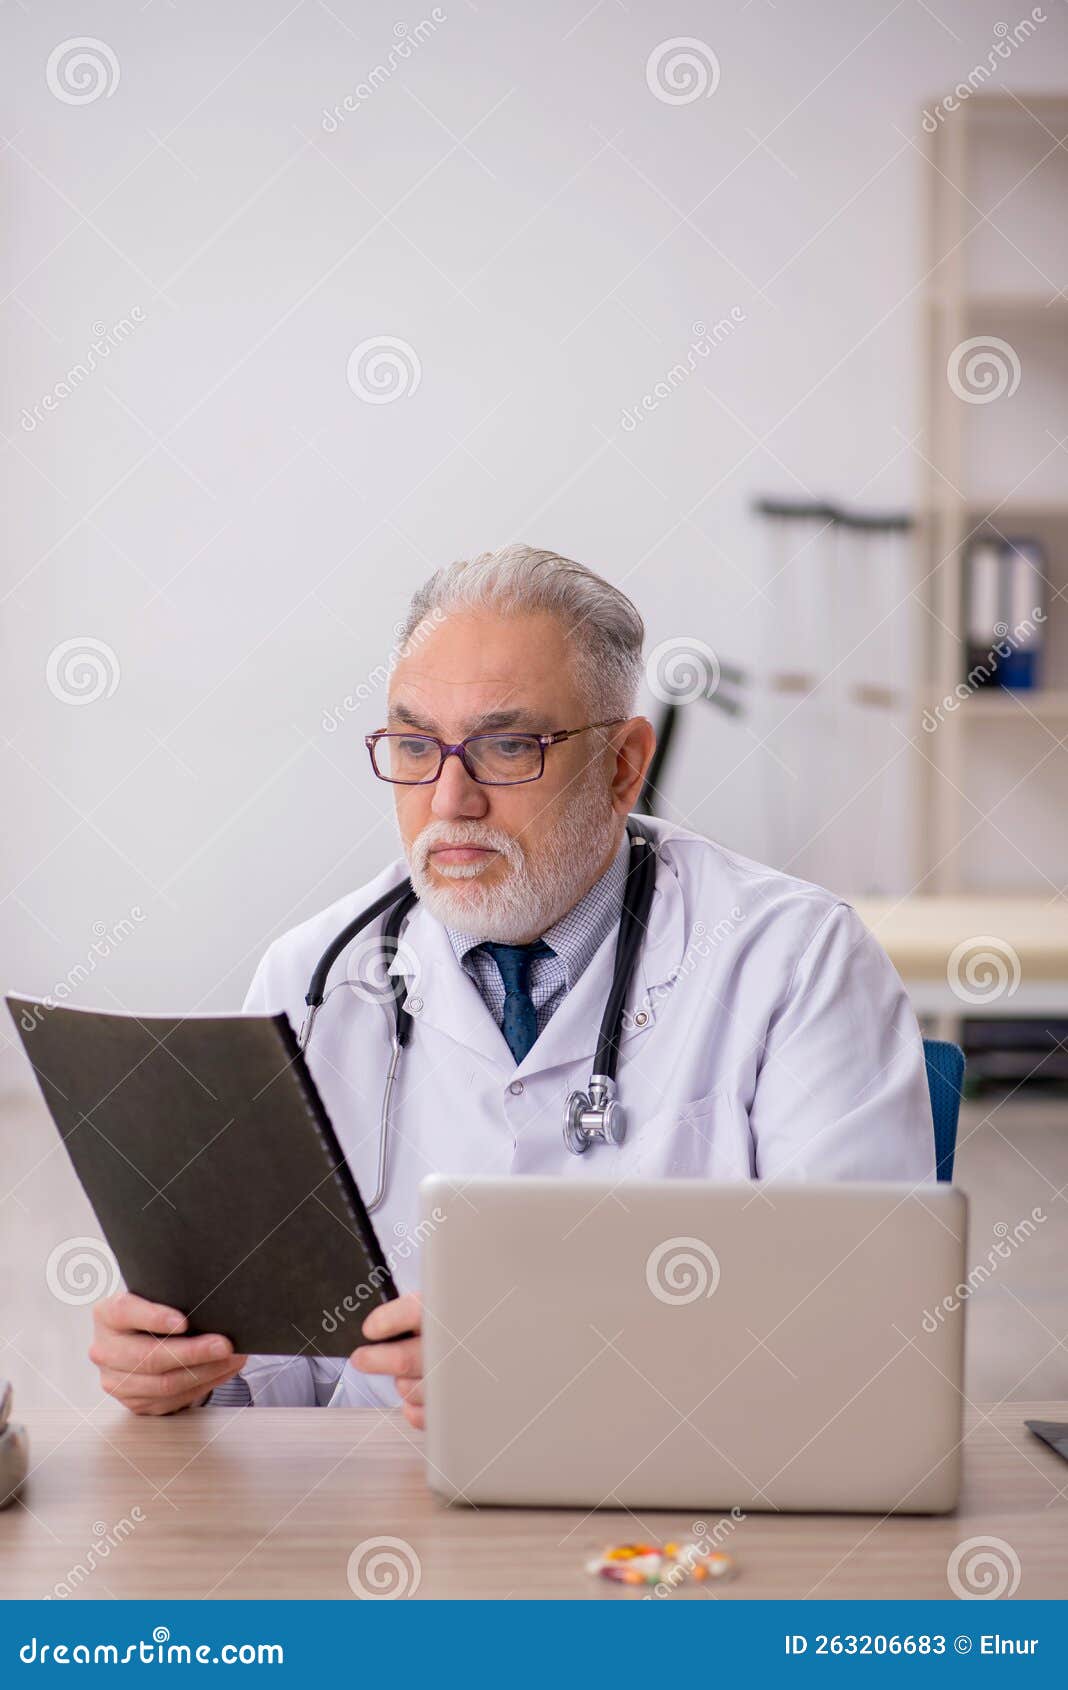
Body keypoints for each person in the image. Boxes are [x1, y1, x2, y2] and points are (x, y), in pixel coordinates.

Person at [90, 545, 934, 1424]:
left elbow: (867, 1345)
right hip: (366, 1523)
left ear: (621, 763)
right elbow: (265, 1389)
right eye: (416, 745)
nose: (450, 799)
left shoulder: (793, 960)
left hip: (669, 1508)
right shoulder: (310, 980)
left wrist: (553, 1361)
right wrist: (182, 1370)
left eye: (505, 747)